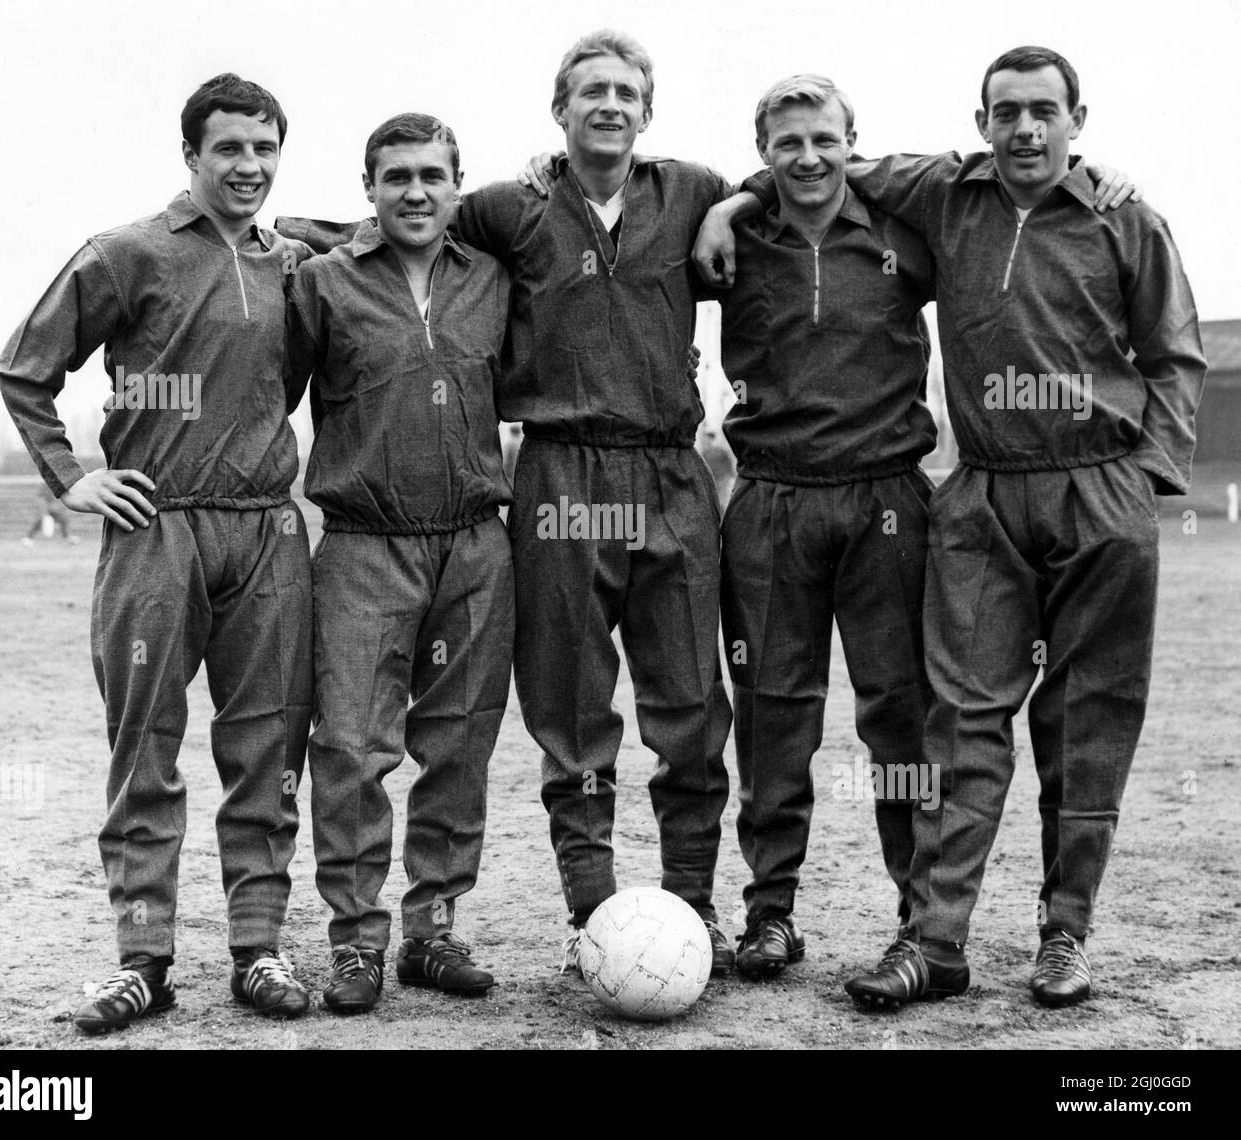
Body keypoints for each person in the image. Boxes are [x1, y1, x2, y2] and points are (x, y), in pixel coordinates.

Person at [699, 46, 1205, 1008]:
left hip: (1099, 493)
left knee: (1084, 721)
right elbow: (823, 165)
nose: (1025, 130)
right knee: (959, 720)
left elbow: (1173, 355)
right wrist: (732, 203)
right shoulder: (942, 192)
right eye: (1006, 112)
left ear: (1076, 120)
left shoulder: (1124, 215)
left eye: (1044, 113)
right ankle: (933, 942)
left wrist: (1147, 478)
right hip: (979, 497)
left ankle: (1065, 934)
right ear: (980, 124)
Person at [0, 73, 314, 1033]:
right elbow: (25, 368)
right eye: (229, 149)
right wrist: (69, 477)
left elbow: (383, 228)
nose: (248, 167)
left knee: (269, 751)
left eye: (264, 149)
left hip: (266, 531)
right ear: (191, 156)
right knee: (145, 754)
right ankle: (143, 959)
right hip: (155, 528)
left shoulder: (297, 263)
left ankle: (257, 950)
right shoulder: (127, 253)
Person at [461, 29, 736, 975]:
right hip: (562, 475)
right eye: (591, 92)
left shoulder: (692, 188)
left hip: (668, 470)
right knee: (572, 708)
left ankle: (694, 905)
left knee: (692, 703)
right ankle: (591, 913)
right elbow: (401, 227)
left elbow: (802, 178)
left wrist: (731, 208)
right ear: (559, 110)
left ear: (647, 112)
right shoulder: (509, 206)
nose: (610, 104)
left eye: (626, 91)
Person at [286, 114, 513, 1013]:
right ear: (369, 188)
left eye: (432, 175)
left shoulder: (494, 281)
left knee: (460, 741)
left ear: (458, 185)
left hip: (473, 544)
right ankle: (356, 943)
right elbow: (273, 392)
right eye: (396, 177)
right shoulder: (324, 285)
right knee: (349, 746)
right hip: (363, 546)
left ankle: (434, 933)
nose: (415, 191)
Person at [712, 75, 937, 980]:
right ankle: (771, 913)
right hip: (771, 499)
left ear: (854, 144)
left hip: (887, 498)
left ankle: (921, 917)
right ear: (761, 150)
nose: (807, 158)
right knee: (771, 715)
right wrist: (736, 201)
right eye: (786, 144)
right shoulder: (728, 239)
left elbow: (987, 187)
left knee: (901, 717)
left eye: (825, 141)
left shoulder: (905, 237)